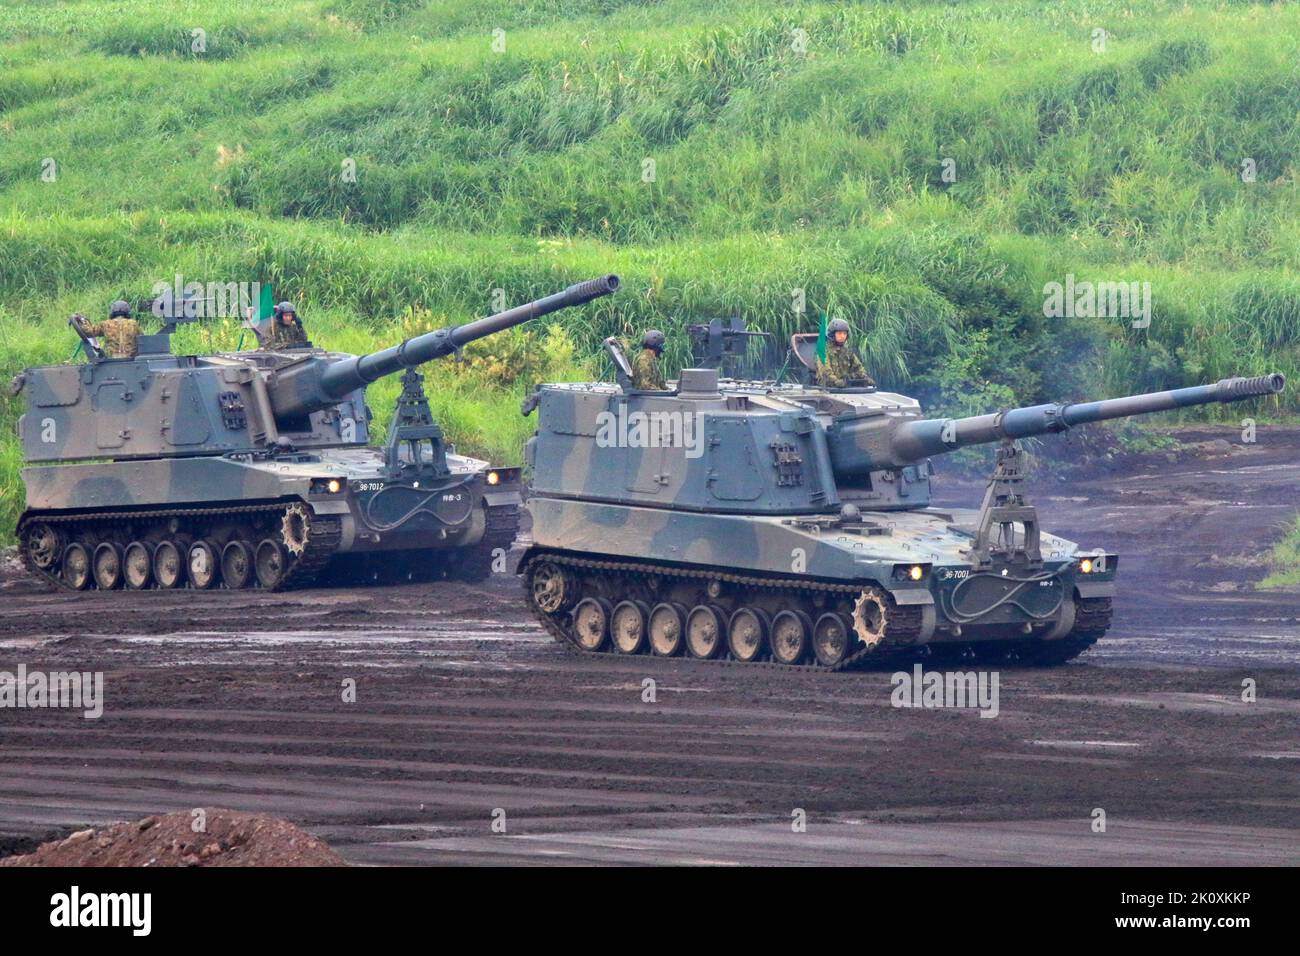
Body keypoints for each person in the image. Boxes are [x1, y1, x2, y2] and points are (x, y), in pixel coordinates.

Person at [71, 300, 140, 360]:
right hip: (130, 359)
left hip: (111, 359)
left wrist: (81, 320)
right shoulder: (133, 324)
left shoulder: (106, 324)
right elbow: (142, 340)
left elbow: (89, 332)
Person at [816, 318, 874, 388]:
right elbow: (826, 373)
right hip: (827, 388)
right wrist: (836, 382)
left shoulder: (847, 352)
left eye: (844, 333)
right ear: (832, 334)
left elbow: (858, 367)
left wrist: (865, 378)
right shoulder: (823, 351)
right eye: (839, 333)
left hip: (845, 387)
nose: (842, 336)